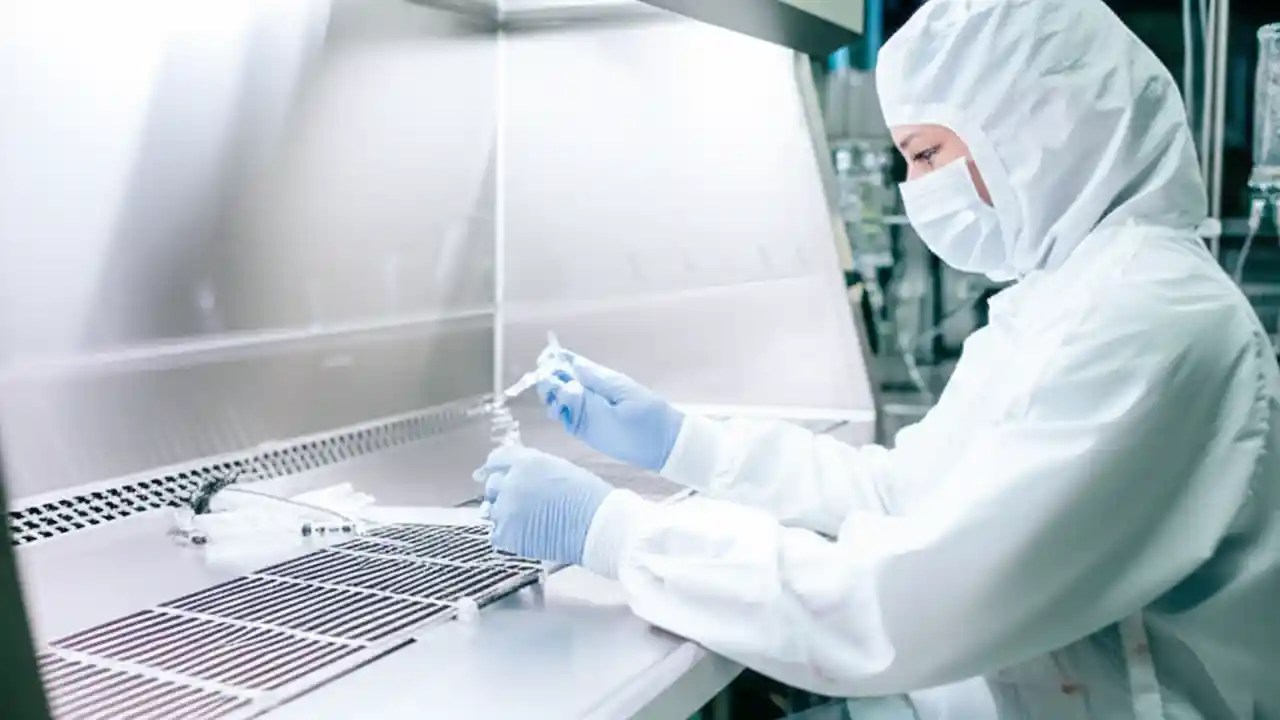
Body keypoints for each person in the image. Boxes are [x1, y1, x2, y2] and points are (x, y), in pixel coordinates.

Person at [474, 0, 1280, 717]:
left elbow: (900, 606)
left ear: (1037, 131)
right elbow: (902, 494)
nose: (912, 189)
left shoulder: (1148, 320)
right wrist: (687, 443)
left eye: (925, 155)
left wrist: (615, 532)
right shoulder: (1066, 298)